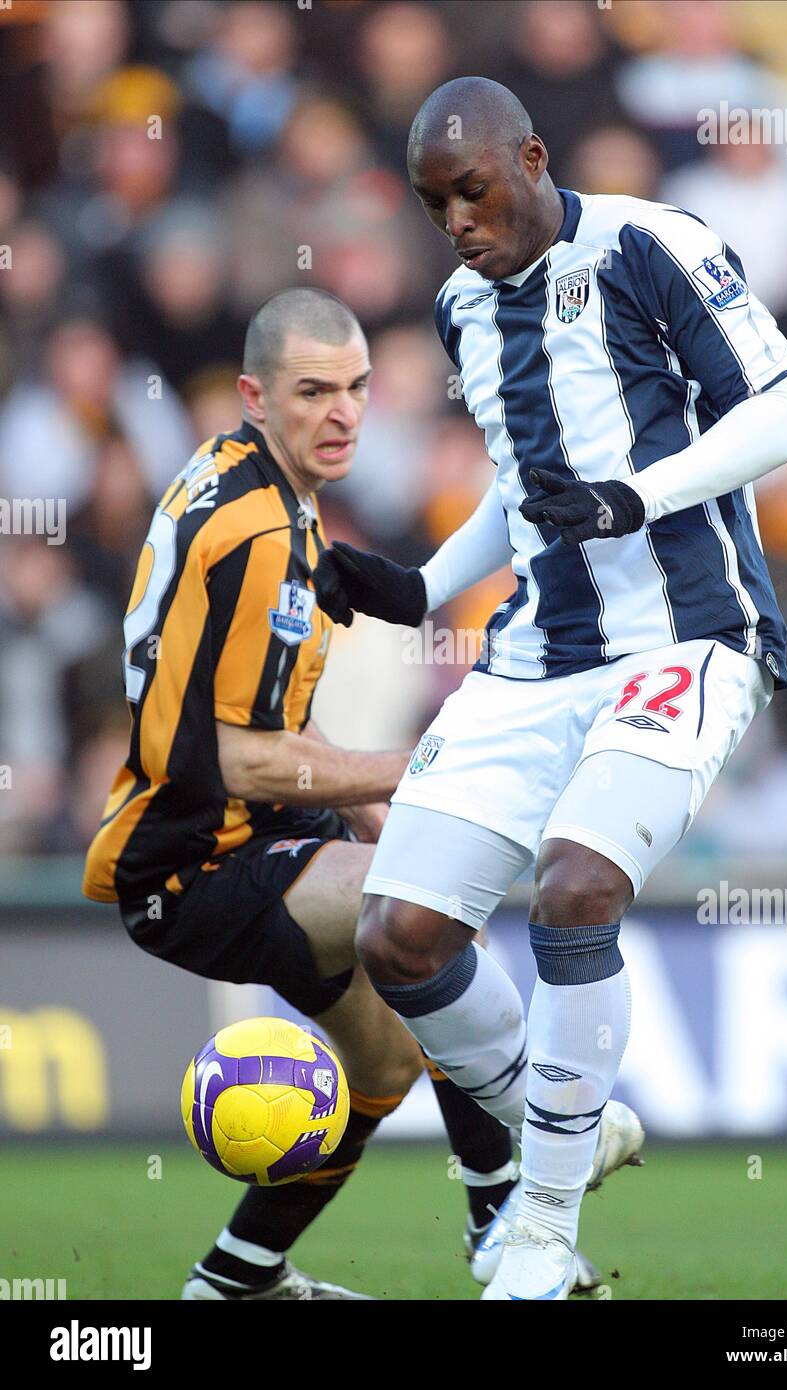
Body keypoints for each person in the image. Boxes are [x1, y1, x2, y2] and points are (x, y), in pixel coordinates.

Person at [313, 77, 787, 1301]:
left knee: (576, 889)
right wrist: (423, 586)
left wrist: (636, 498)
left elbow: (783, 415)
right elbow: (521, 483)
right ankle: (576, 1119)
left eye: (474, 191)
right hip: (538, 651)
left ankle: (536, 1231)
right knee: (399, 934)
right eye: (436, 206)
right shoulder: (456, 309)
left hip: (687, 638)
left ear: (531, 157)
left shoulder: (651, 244)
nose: (459, 224)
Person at [82, 286, 600, 1301]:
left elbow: (262, 716)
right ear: (254, 394)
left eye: (357, 388)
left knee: (386, 1064)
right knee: (427, 912)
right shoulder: (263, 532)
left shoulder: (251, 488)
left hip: (240, 831)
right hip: (191, 855)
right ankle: (503, 1211)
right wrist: (402, 774)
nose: (343, 412)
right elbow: (230, 757)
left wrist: (362, 800)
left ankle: (237, 1279)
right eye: (312, 390)